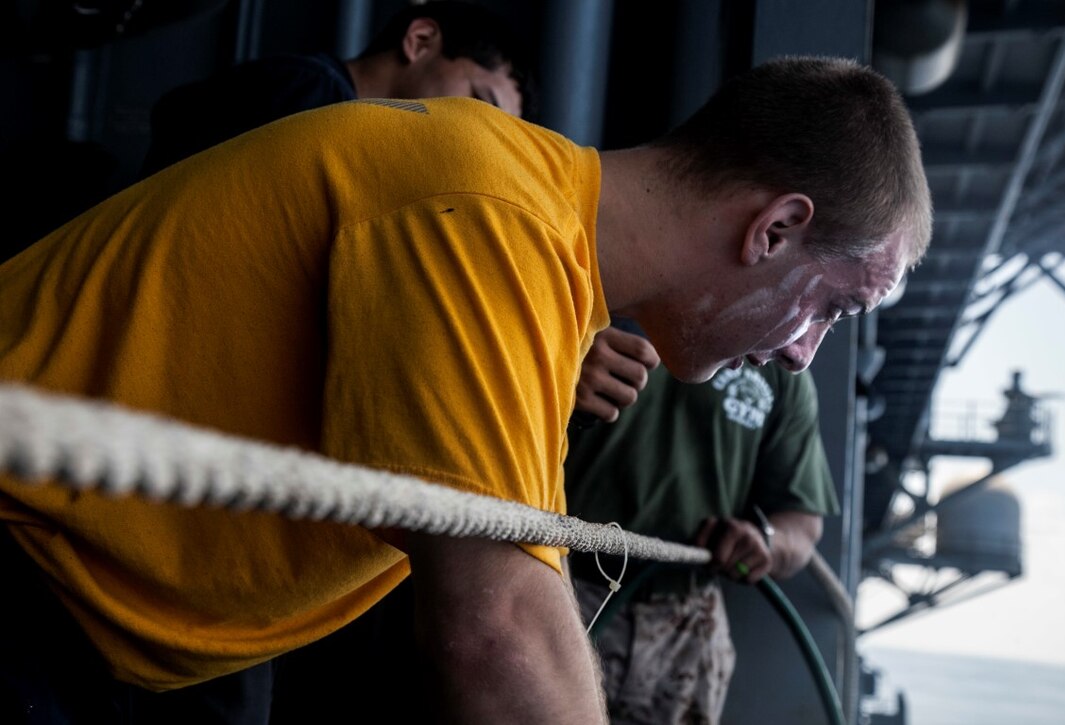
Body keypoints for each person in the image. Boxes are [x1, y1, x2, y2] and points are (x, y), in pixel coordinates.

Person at [0, 56, 931, 723]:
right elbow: (498, 629)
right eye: (833, 309)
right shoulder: (494, 219)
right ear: (773, 230)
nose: (807, 354)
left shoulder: (545, 269)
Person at [563, 320, 838, 725]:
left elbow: (802, 524)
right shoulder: (597, 305)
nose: (800, 353)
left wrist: (765, 541)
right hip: (566, 590)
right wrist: (559, 370)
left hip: (690, 621)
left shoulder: (782, 374)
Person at [140, 0, 533, 177]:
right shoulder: (312, 91)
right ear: (421, 39)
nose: (476, 132)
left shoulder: (314, 92)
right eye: (479, 103)